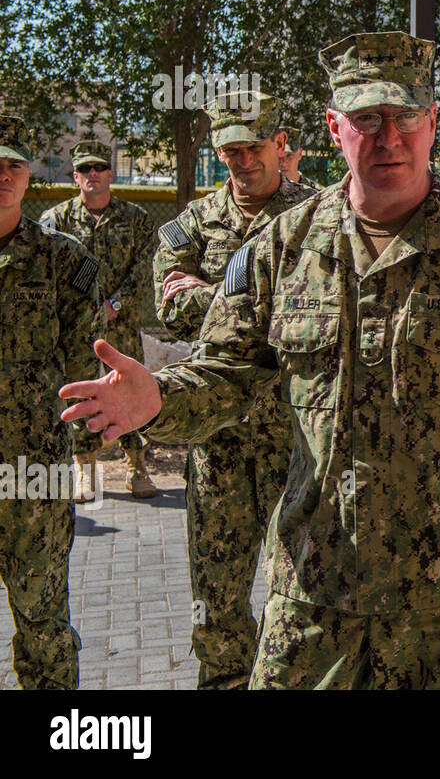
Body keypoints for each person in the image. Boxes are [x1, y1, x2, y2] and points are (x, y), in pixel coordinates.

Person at [63, 31, 440, 689]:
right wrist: (158, 401)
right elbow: (225, 374)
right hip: (317, 572)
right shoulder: (280, 248)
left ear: (431, 122)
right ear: (333, 129)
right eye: (366, 120)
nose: (389, 138)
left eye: (406, 117)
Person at [152, 94, 314, 689]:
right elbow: (170, 312)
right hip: (214, 438)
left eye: (253, 147)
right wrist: (268, 298)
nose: (243, 160)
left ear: (281, 143)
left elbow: (321, 312)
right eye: (230, 150)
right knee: (217, 602)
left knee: (297, 595)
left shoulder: (318, 215)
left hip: (297, 439)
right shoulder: (191, 224)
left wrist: (211, 290)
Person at [0, 117, 101, 689]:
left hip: (35, 470)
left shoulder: (62, 258)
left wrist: (86, 447)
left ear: (29, 174)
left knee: (42, 616)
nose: (4, 175)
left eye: (13, 165)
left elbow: (82, 357)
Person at [40, 139, 158, 500]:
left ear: (111, 173)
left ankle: (137, 466)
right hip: (76, 331)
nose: (93, 174)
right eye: (85, 169)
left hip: (120, 329)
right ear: (75, 176)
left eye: (99, 168)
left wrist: (116, 303)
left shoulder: (136, 219)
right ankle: (85, 467)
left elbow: (145, 267)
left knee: (130, 390)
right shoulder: (55, 221)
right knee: (80, 393)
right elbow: (46, 271)